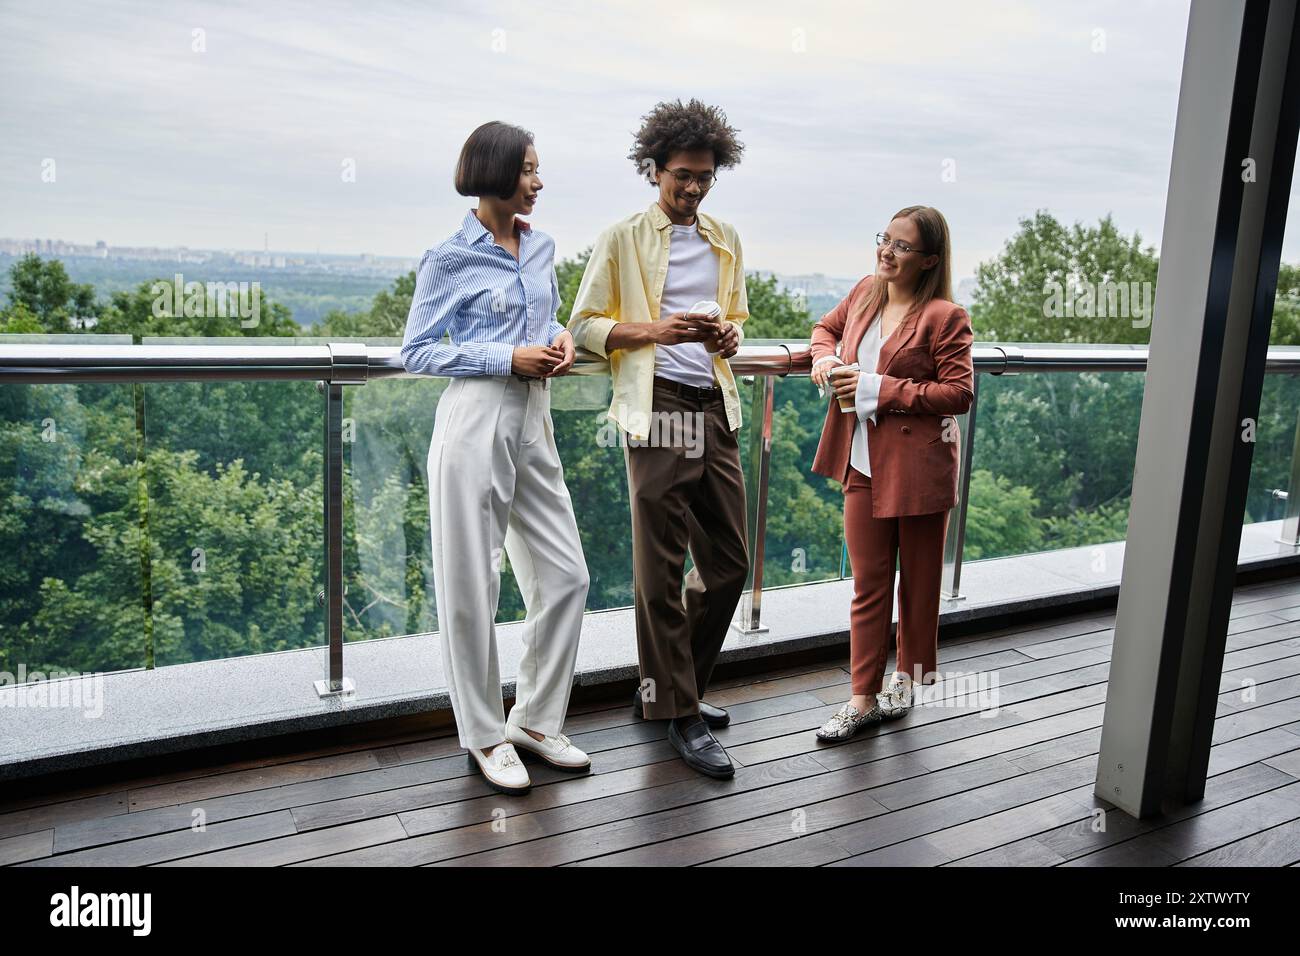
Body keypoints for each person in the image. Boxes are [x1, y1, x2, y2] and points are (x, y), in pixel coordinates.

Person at [400, 120, 591, 794]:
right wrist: (504, 356)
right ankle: (483, 735)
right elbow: (416, 350)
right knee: (471, 586)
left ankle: (535, 721)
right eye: (529, 170)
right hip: (476, 414)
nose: (538, 183)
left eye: (538, 171)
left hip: (534, 415)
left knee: (566, 574)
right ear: (496, 171)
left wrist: (559, 341)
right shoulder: (449, 258)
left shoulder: (541, 249)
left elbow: (547, 320)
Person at [567, 99, 749, 779]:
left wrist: (729, 336)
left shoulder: (725, 238)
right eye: (681, 176)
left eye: (704, 177)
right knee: (660, 569)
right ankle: (678, 711)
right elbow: (584, 325)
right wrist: (654, 332)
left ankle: (674, 690)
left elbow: (734, 321)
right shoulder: (622, 238)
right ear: (654, 171)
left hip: (715, 405)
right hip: (661, 406)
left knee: (730, 563)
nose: (693, 188)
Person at [807, 205, 974, 741]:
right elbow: (824, 330)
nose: (887, 251)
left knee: (920, 584)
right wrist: (824, 361)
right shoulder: (864, 292)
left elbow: (959, 393)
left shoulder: (945, 316)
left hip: (920, 467)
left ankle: (909, 675)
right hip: (862, 460)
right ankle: (862, 699)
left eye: (902, 247)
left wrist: (877, 387)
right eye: (885, 239)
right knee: (869, 583)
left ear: (928, 261)